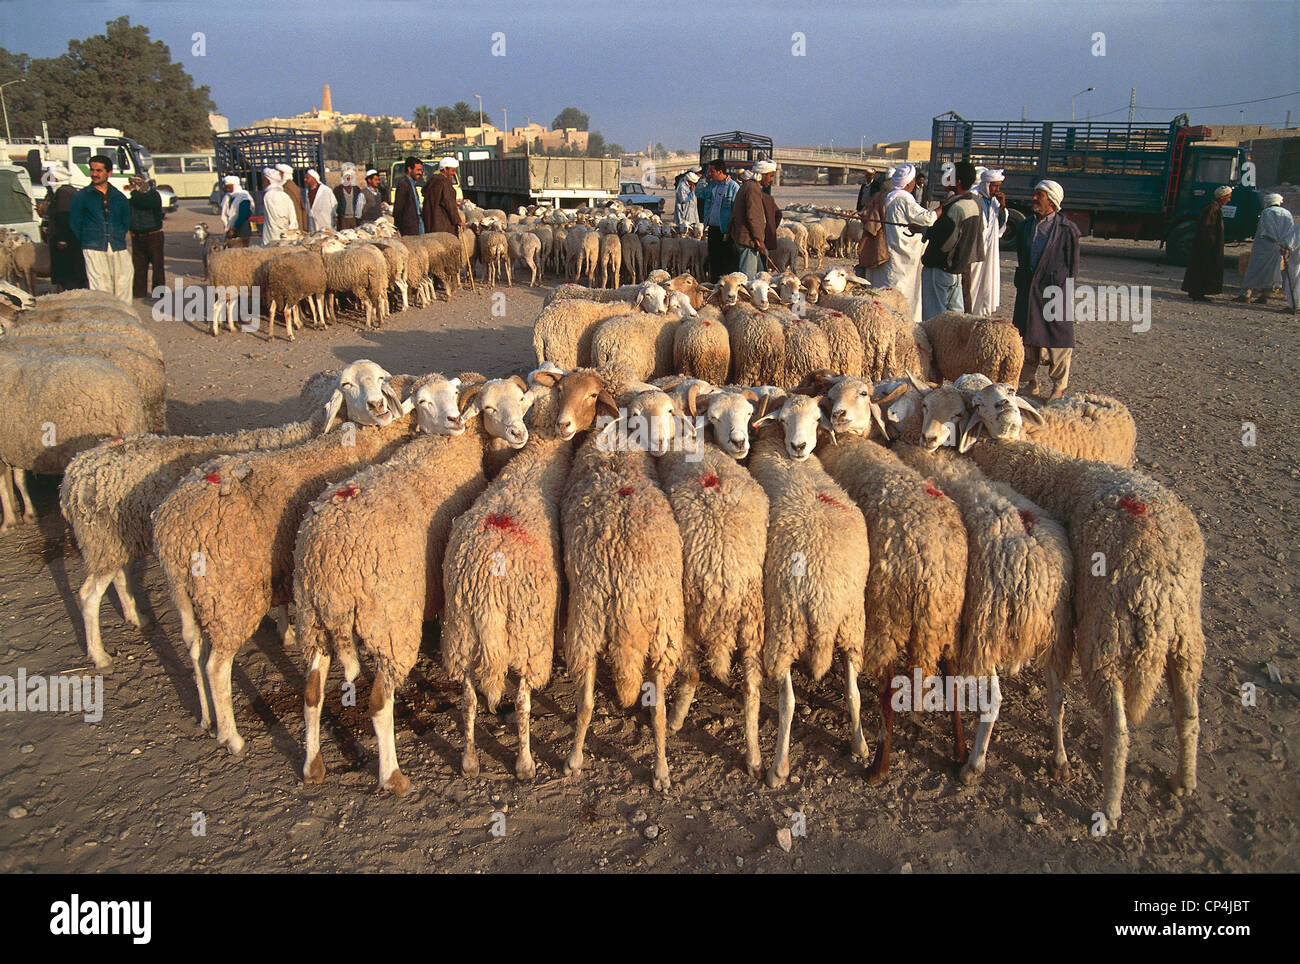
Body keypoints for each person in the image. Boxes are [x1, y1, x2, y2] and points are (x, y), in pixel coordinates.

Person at [1013, 179, 1080, 399]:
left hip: (1054, 291)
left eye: (1039, 195)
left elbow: (1072, 266)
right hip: (1028, 291)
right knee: (1026, 337)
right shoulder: (1025, 226)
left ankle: (1058, 389)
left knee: (1058, 340)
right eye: (1035, 194)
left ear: (1051, 201)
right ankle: (1029, 382)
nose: (1034, 198)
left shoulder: (1067, 229)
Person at [920, 162, 983, 319]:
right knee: (956, 319)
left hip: (940, 269)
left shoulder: (956, 208)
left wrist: (923, 229)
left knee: (935, 319)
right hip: (957, 270)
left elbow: (945, 241)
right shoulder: (976, 202)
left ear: (958, 181)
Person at [68, 154, 133, 304]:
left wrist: (116, 235)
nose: (94, 174)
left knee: (124, 283)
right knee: (101, 287)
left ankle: (125, 320)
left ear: (108, 173)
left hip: (117, 245)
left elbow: (125, 221)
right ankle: (106, 321)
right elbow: (74, 223)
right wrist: (88, 239)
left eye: (99, 170)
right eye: (92, 170)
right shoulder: (82, 196)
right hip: (93, 246)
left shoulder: (119, 197)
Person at [881, 163, 937, 322]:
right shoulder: (904, 199)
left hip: (894, 246)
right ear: (910, 182)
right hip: (904, 252)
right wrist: (941, 210)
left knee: (895, 283)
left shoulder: (891, 197)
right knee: (906, 289)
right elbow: (927, 218)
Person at [1236, 193, 1292, 303]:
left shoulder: (1267, 212)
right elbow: (1289, 231)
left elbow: (1265, 230)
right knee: (1272, 271)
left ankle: (1246, 294)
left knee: (1254, 269)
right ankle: (1265, 296)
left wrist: (1274, 239)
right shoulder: (1287, 213)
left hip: (1264, 246)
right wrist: (1283, 243)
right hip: (1279, 247)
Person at [967, 169, 1008, 316]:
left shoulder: (995, 201)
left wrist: (1002, 207)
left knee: (986, 283)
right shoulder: (973, 197)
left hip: (989, 250)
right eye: (993, 186)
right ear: (986, 184)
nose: (996, 190)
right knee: (972, 282)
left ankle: (980, 313)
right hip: (975, 249)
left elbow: (999, 227)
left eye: (998, 186)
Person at [41, 163, 87, 290]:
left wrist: (62, 239)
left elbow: (64, 218)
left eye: (51, 178)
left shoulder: (64, 193)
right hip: (71, 239)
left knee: (68, 274)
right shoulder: (66, 191)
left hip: (66, 241)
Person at [1182, 185, 1232, 302]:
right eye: (1228, 197)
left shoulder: (1214, 208)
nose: (1229, 200)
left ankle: (1195, 291)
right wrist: (1211, 244)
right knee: (1203, 268)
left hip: (1206, 245)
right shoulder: (1211, 209)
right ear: (1222, 197)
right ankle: (1198, 293)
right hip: (1206, 246)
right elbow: (1206, 228)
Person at [729, 160, 775, 279]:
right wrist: (759, 240)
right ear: (763, 175)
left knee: (760, 274)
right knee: (747, 278)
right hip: (748, 240)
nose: (771, 179)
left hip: (747, 237)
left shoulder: (748, 186)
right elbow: (754, 217)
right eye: (770, 176)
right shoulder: (752, 188)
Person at [696, 159, 739, 280]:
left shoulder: (733, 187)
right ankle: (715, 283)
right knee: (714, 258)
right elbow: (699, 193)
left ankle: (727, 285)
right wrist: (704, 178)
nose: (710, 173)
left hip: (726, 229)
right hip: (713, 228)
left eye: (712, 170)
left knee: (726, 259)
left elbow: (736, 209)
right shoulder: (712, 186)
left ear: (720, 171)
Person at [126, 176, 165, 299]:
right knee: (138, 266)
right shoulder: (133, 198)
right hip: (137, 236)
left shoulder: (152, 195)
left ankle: (158, 293)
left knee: (157, 266)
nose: (133, 186)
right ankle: (138, 292)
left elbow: (144, 203)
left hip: (153, 235)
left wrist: (133, 194)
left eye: (135, 183)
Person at [422, 157, 464, 235]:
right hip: (443, 227)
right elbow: (449, 204)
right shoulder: (445, 183)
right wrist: (458, 221)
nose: (454, 173)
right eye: (453, 171)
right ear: (445, 169)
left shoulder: (432, 181)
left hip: (430, 225)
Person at [260, 166, 298, 245]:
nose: (262, 183)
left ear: (268, 181)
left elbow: (278, 219)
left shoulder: (270, 195)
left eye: (263, 180)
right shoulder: (284, 195)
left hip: (274, 237)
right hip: (286, 236)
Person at [393, 156, 424, 236]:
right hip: (409, 228)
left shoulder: (412, 183)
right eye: (418, 170)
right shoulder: (404, 184)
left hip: (416, 224)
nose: (420, 173)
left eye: (421, 170)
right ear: (409, 169)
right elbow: (398, 208)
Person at [219, 175, 254, 247]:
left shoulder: (243, 197)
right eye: (226, 187)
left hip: (242, 228)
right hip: (230, 228)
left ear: (235, 186)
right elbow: (225, 213)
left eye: (229, 187)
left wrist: (234, 228)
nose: (227, 189)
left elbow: (244, 215)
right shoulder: (228, 197)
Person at [277, 163, 308, 234]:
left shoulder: (289, 188)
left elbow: (294, 209)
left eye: (279, 174)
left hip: (292, 226)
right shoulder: (287, 186)